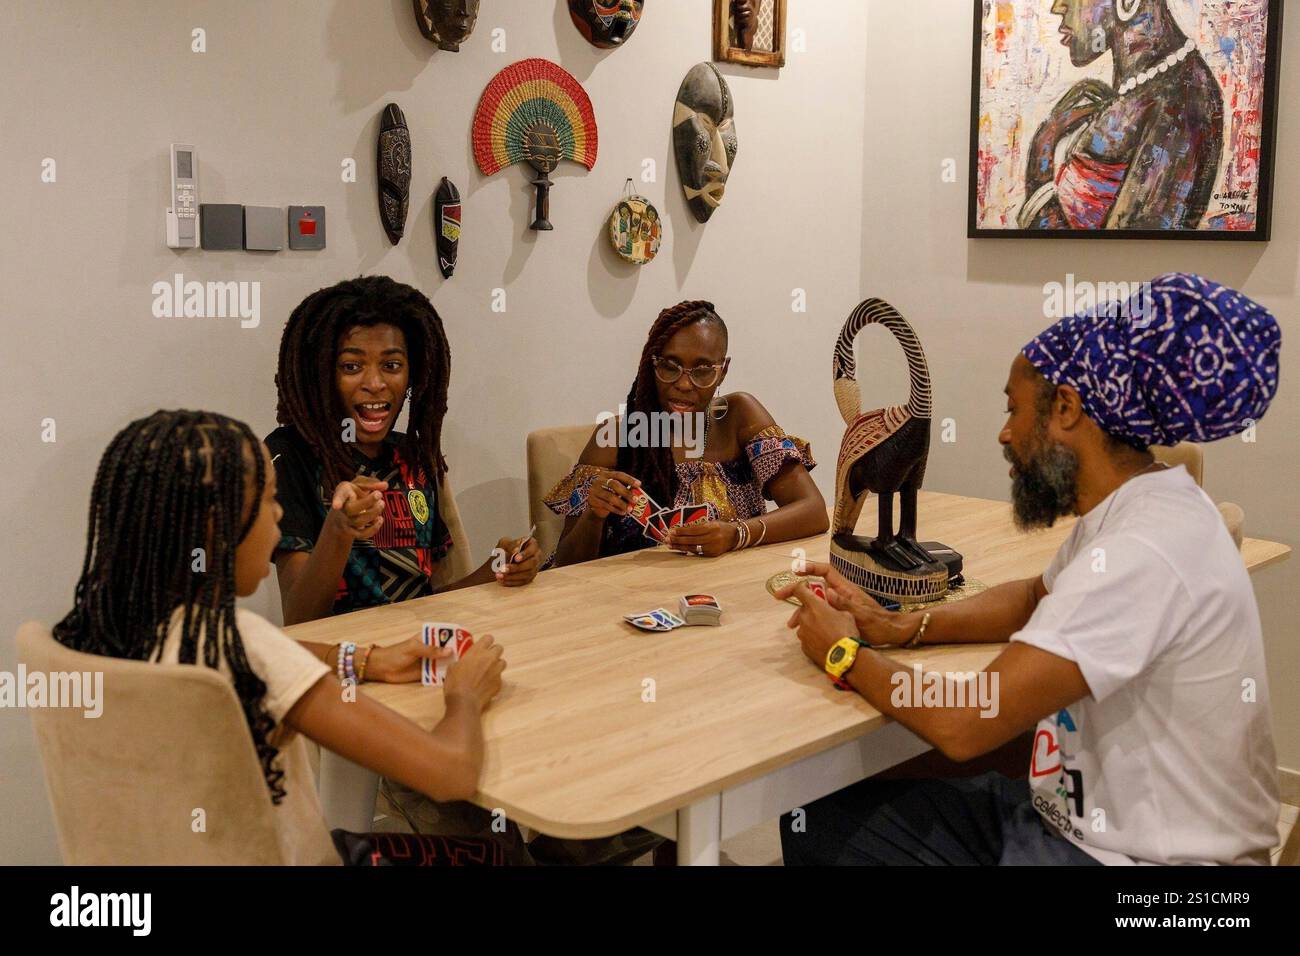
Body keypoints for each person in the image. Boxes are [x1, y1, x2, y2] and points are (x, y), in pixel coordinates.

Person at [776, 273, 1281, 865]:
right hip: (1080, 823)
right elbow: (1032, 599)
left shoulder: (1141, 552)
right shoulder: (1147, 503)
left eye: (1014, 410)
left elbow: (968, 720)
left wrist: (845, 654)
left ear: (1065, 409)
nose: (1004, 433)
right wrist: (896, 624)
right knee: (818, 819)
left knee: (832, 831)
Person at [53, 410, 511, 865]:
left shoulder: (114, 628)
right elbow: (450, 773)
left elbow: (263, 652)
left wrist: (366, 660)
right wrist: (465, 695)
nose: (279, 519)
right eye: (270, 503)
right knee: (502, 846)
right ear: (218, 527)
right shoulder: (245, 646)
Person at [268, 275, 540, 627]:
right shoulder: (289, 456)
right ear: (319, 373)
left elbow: (430, 601)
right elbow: (300, 617)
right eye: (352, 366)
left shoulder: (414, 457)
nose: (375, 383)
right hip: (344, 662)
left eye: (391, 365)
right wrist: (339, 530)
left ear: (414, 374)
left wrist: (497, 567)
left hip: (417, 652)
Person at [548, 300, 828, 566]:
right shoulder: (616, 436)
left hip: (731, 591)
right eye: (670, 367)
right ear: (652, 364)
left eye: (703, 370)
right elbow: (566, 563)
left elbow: (813, 511)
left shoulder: (739, 415)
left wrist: (737, 534)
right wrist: (593, 516)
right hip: (632, 600)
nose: (684, 383)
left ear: (723, 371)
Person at [1019, 0, 1223, 230]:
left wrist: (1043, 148)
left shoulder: (1184, 98)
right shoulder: (1144, 89)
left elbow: (1123, 251)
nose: (1057, 7)